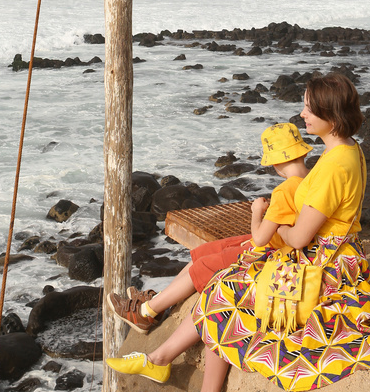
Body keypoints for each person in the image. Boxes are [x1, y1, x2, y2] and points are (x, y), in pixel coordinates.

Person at [106, 73, 370, 392]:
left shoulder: (333, 168)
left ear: (333, 117)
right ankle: (164, 362)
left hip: (325, 264)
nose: (303, 113)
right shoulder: (346, 149)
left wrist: (272, 218)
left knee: (227, 292)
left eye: (309, 108)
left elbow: (298, 239)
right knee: (228, 281)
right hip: (337, 250)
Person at [106, 122, 312, 334]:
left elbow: (259, 238)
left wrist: (256, 212)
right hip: (277, 247)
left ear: (275, 162)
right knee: (205, 252)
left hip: (268, 252)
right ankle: (159, 299)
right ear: (303, 153)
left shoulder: (285, 190)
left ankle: (146, 313)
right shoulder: (310, 181)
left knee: (202, 266)